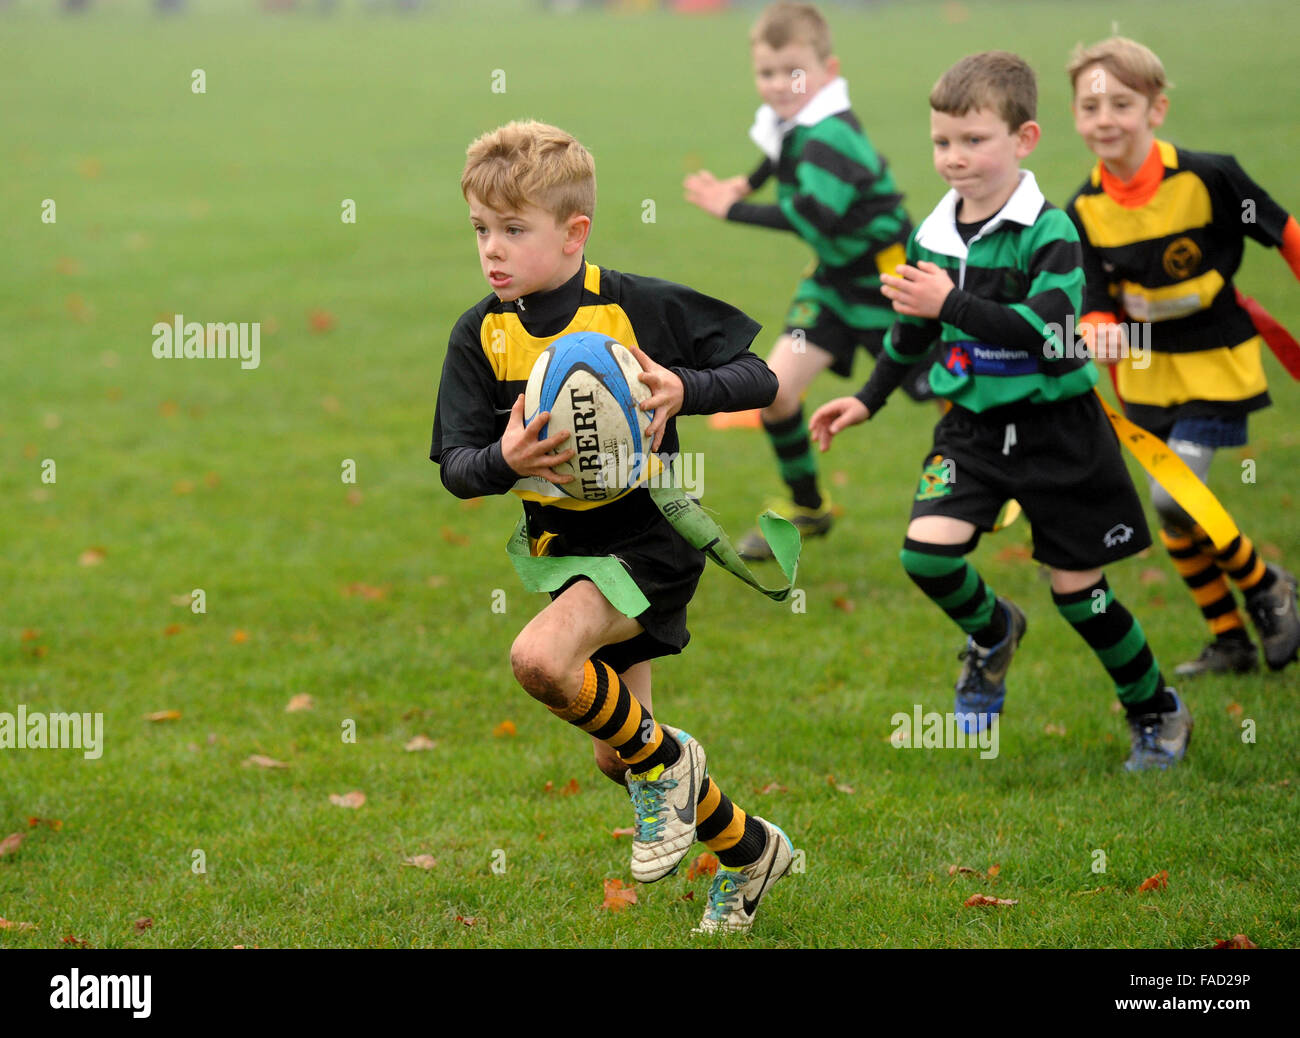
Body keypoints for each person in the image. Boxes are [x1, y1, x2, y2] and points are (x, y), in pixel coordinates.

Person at [432, 121, 794, 932]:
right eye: (481, 230)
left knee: (538, 658)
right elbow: (456, 467)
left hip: (649, 541)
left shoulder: (630, 306)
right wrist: (506, 457)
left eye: (514, 230)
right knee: (613, 752)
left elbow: (761, 376)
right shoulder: (479, 335)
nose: (492, 250)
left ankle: (672, 762)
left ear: (574, 232)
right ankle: (749, 850)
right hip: (567, 553)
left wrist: (682, 388)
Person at [810, 52, 1190, 771]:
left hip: (1060, 432)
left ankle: (1156, 711)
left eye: (974, 140)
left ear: (1024, 139)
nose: (955, 158)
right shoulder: (933, 236)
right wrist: (865, 399)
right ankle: (994, 633)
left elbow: (1048, 336)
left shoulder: (1050, 232)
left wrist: (948, 302)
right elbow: (912, 334)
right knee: (926, 555)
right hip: (972, 431)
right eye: (942, 142)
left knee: (1084, 598)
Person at [1064, 35, 1300, 676]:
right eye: (1090, 106)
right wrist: (1098, 324)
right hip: (1143, 375)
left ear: (1156, 109)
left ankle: (1267, 588)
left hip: (1217, 360)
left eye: (1121, 103)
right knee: (1172, 508)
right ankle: (1229, 639)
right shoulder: (1082, 209)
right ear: (1075, 117)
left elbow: (1282, 231)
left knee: (1172, 496)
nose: (1104, 118)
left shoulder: (1210, 175)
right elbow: (1092, 294)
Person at [684, 1, 936, 561]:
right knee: (774, 389)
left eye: (792, 71)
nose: (779, 85)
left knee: (957, 399)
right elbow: (778, 154)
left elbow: (813, 216)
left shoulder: (830, 136)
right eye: (767, 72)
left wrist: (732, 210)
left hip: (892, 286)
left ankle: (1049, 513)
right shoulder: (802, 122)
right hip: (832, 286)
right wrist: (743, 184)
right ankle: (810, 509)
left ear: (829, 69)